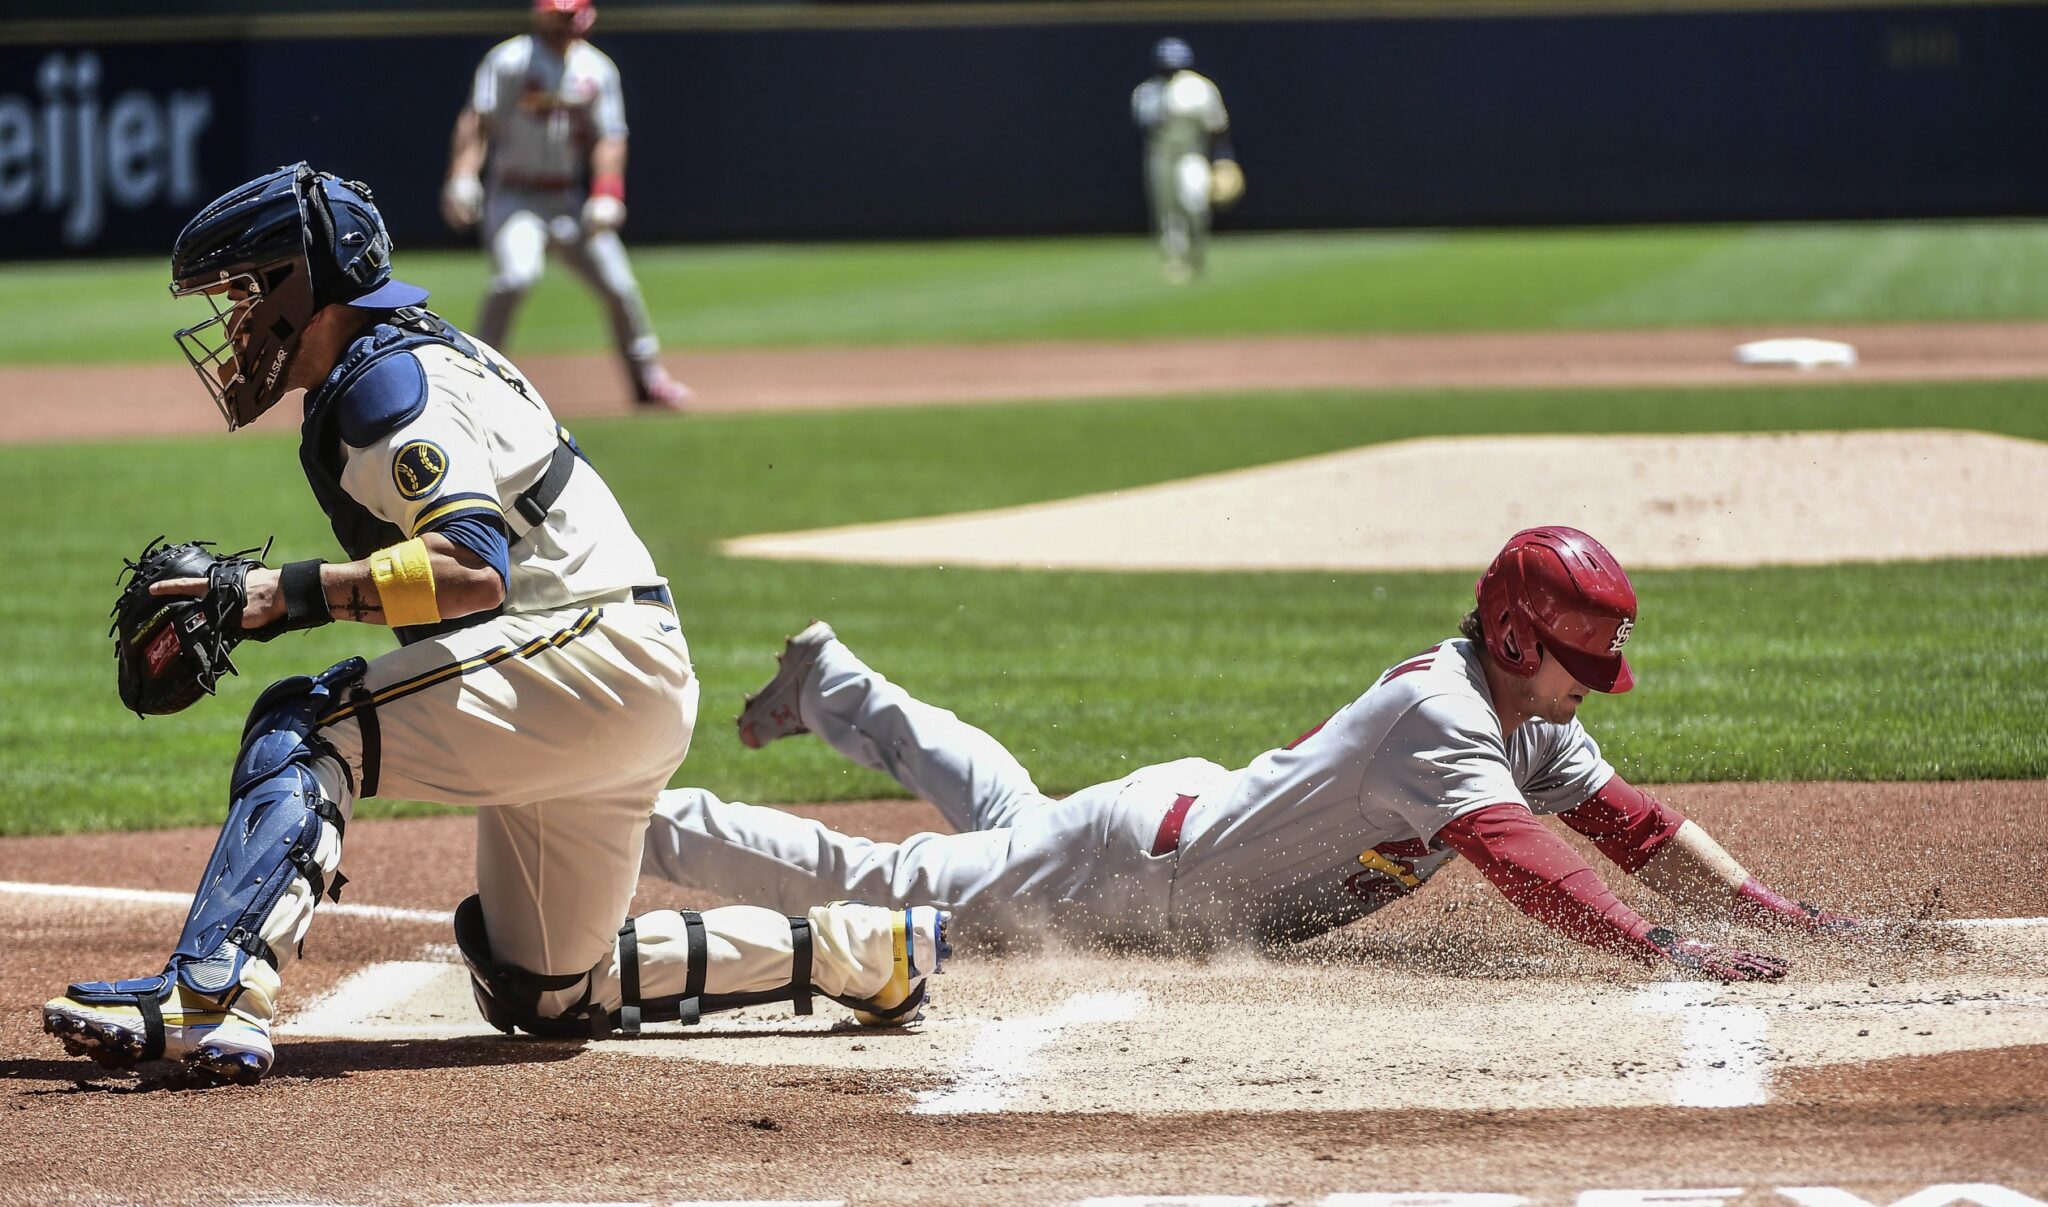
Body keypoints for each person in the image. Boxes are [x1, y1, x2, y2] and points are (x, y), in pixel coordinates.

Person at [41, 163, 942, 1086]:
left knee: (308, 730)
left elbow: (470, 569)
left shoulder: (384, 385)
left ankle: (216, 988)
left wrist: (285, 594)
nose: (232, 324)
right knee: (549, 988)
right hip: (609, 676)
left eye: (244, 293)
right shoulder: (400, 360)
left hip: (587, 654)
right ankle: (853, 950)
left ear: (304, 285)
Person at [640, 527, 1861, 978]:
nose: (1586, 691)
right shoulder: (1444, 719)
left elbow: (1630, 827)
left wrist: (1776, 911)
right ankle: (627, 810)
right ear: (1508, 634)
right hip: (1136, 875)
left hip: (1165, 824)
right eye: (1575, 661)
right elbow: (1532, 867)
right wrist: (1667, 949)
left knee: (1012, 814)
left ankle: (837, 687)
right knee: (883, 887)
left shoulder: (1521, 715)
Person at [440, 0, 690, 410]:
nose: (559, 24)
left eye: (566, 15)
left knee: (620, 286)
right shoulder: (510, 60)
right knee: (515, 278)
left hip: (567, 199)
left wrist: (608, 191)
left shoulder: (597, 69)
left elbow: (611, 137)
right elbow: (477, 122)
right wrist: (462, 176)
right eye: (553, 15)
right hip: (516, 195)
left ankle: (649, 382)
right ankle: (475, 375)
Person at [1130, 36, 1242, 285]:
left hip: (1192, 152)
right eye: (1165, 66)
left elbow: (1218, 127)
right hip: (1161, 154)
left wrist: (1224, 158)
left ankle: (1197, 255)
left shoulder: (1200, 88)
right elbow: (1148, 123)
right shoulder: (1147, 91)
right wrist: (1164, 109)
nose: (1169, 72)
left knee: (1194, 205)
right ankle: (1175, 261)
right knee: (1166, 210)